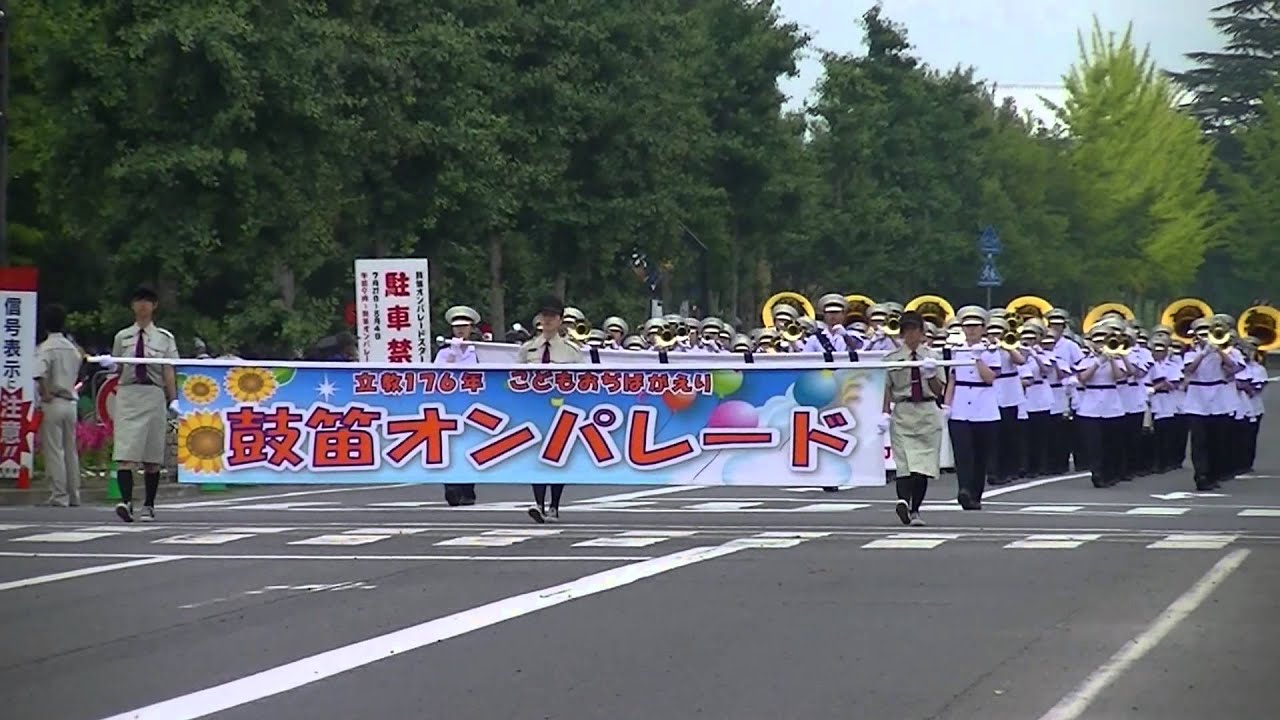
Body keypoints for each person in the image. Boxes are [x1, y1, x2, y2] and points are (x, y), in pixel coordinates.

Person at [102, 286, 180, 522]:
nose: (143, 305)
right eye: (139, 301)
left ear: (154, 306)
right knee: (126, 452)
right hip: (128, 394)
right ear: (132, 306)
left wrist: (173, 398)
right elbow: (118, 367)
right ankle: (126, 502)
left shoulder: (164, 338)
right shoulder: (122, 337)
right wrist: (108, 364)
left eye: (148, 301)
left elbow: (168, 369)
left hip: (153, 394)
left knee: (152, 456)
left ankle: (149, 504)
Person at [517, 295, 582, 523]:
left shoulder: (571, 351)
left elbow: (581, 382)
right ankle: (538, 503)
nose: (547, 320)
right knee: (535, 457)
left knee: (558, 458)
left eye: (552, 316)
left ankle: (553, 506)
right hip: (534, 409)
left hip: (562, 411)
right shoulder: (528, 350)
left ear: (560, 319)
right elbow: (516, 379)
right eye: (544, 315)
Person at [880, 311, 944, 525]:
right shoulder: (892, 359)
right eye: (906, 330)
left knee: (923, 466)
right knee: (904, 464)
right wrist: (884, 413)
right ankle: (903, 502)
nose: (911, 334)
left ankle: (916, 509)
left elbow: (938, 390)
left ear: (922, 331)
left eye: (914, 329)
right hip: (903, 411)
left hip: (927, 411)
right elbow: (887, 389)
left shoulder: (933, 358)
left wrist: (931, 374)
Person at [943, 306, 1000, 510]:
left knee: (980, 454)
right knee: (963, 452)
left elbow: (990, 378)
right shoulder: (956, 350)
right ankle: (964, 490)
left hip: (984, 407)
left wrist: (977, 358)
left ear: (983, 328)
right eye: (967, 326)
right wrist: (947, 405)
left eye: (976, 326)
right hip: (960, 407)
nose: (971, 330)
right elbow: (952, 379)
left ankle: (975, 494)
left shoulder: (991, 350)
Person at [34, 304, 84, 507]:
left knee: (54, 449)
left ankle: (59, 494)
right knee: (70, 449)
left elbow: (39, 373)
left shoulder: (46, 347)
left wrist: (45, 392)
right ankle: (74, 494)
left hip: (54, 401)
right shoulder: (72, 348)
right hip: (71, 401)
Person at [436, 305, 481, 506]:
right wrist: (452, 356)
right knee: (448, 447)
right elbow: (435, 374)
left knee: (469, 447)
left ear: (471, 327)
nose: (460, 330)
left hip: (472, 405)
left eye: (464, 326)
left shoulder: (478, 351)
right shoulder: (444, 353)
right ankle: (451, 488)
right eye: (457, 327)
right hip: (449, 406)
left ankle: (468, 490)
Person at [1075, 325, 1128, 488]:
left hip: (1111, 403)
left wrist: (1111, 359)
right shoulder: (1086, 360)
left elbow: (1119, 377)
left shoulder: (1117, 360)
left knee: (1111, 442)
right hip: (1091, 405)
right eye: (1097, 341)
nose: (1100, 345)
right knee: (1094, 443)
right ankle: (1097, 473)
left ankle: (1110, 473)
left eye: (1103, 341)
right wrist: (1098, 362)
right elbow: (1083, 378)